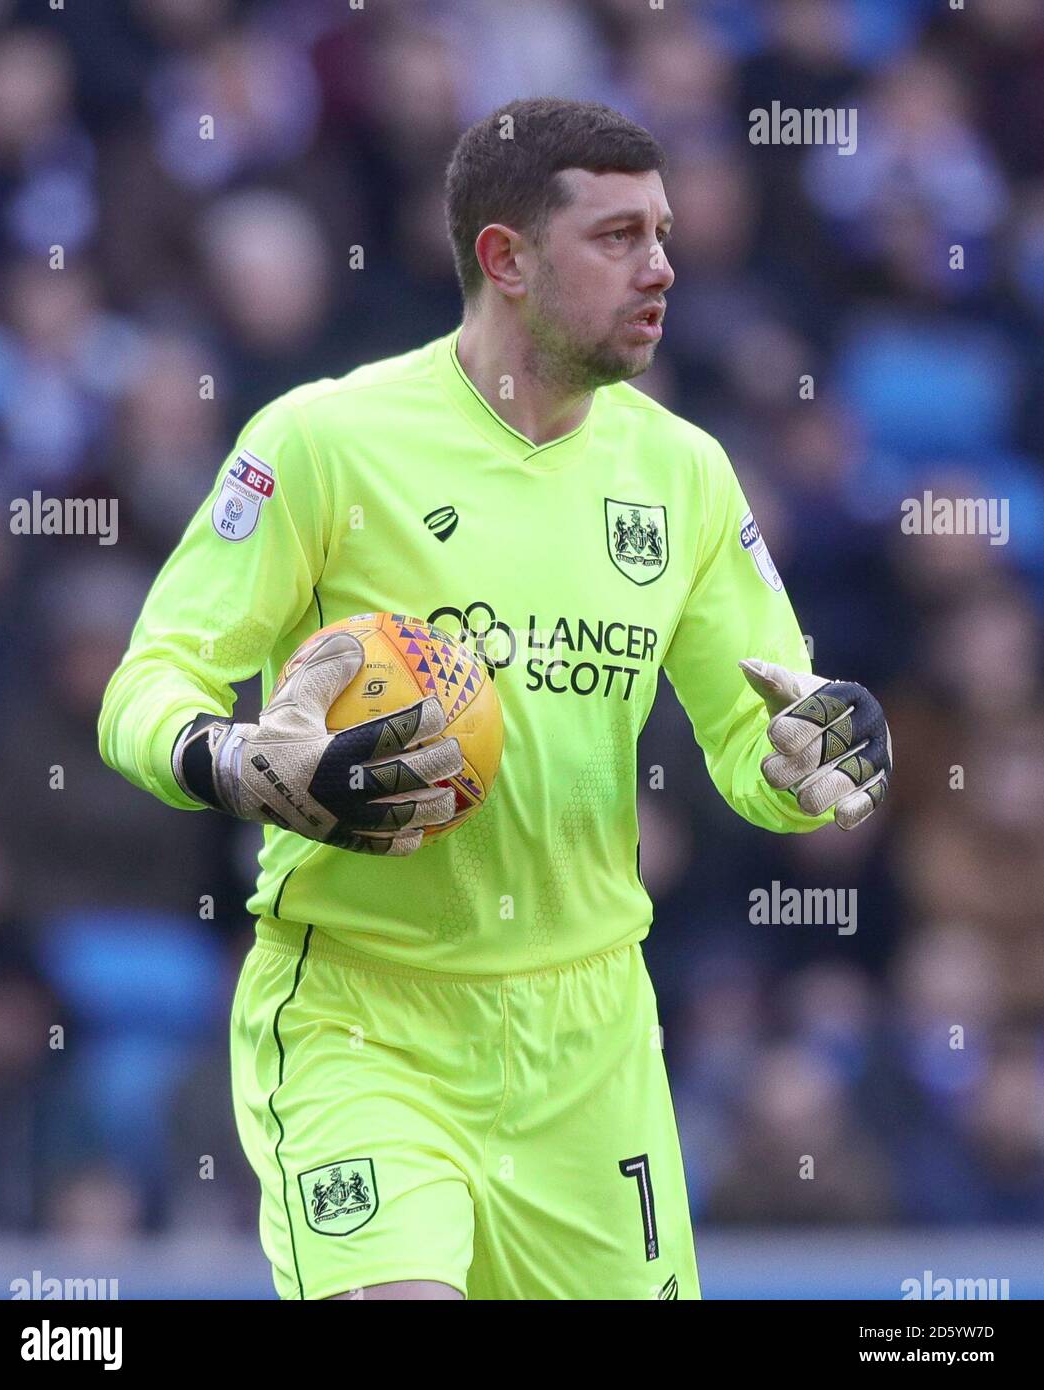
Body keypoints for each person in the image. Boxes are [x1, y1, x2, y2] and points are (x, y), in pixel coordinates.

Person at [99, 97, 891, 1301]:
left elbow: (758, 740)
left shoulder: (681, 471)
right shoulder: (322, 441)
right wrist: (241, 760)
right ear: (505, 258)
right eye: (618, 236)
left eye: (663, 231)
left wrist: (813, 758)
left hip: (589, 1036)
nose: (663, 265)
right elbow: (147, 684)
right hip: (364, 1014)